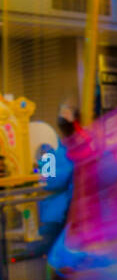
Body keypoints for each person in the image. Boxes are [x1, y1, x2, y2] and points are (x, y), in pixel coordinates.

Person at [31, 103, 79, 258]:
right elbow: (48, 181)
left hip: (66, 214)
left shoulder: (60, 149)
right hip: (58, 215)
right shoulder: (50, 149)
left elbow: (47, 179)